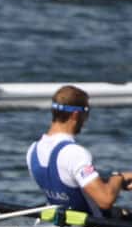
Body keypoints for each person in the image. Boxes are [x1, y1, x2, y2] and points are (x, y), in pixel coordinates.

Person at [27, 85, 132, 218]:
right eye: (87, 112)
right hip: (95, 225)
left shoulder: (33, 151)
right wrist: (118, 177)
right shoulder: (75, 153)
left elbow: (67, 181)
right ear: (76, 115)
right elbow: (105, 200)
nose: (86, 119)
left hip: (65, 222)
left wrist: (114, 184)